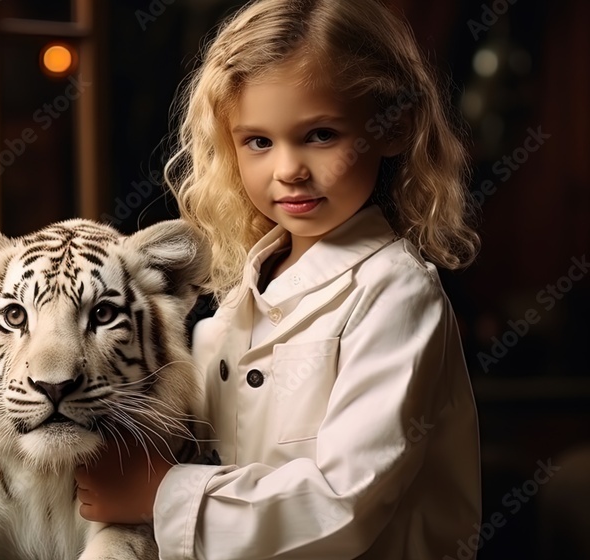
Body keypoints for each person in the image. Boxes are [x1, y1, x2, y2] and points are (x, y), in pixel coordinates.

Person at [74, 0, 483, 558]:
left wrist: (159, 494)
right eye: (258, 142)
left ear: (393, 126)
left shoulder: (397, 294)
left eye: (319, 134)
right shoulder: (234, 300)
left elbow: (345, 504)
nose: (288, 168)